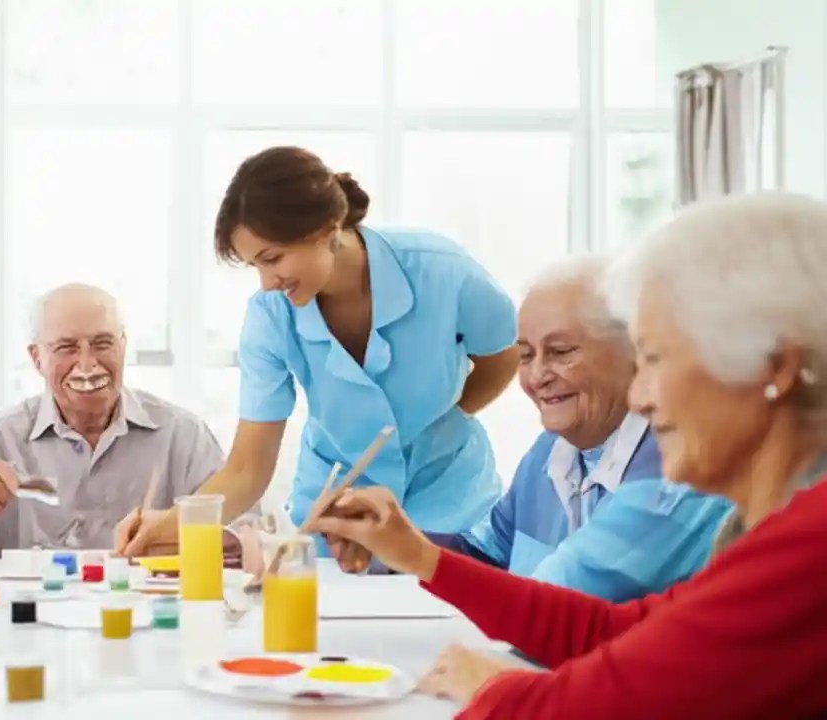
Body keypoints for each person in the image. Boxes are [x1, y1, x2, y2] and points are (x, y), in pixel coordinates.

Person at [310, 192, 827, 718]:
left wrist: (492, 689)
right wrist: (418, 554)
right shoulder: (767, 531)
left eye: (655, 359)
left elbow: (596, 703)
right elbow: (610, 630)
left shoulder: (810, 542)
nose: (641, 396)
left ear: (774, 368)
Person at [117, 146, 519, 556]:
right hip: (338, 512)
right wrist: (167, 526)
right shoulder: (270, 316)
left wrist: (442, 418)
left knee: (452, 611)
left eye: (272, 259)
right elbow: (247, 469)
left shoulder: (442, 270)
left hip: (448, 496)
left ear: (326, 228)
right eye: (255, 265)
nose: (267, 282)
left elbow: (503, 355)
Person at [420, 256, 730, 601]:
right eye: (525, 355)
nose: (537, 377)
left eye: (560, 352)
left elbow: (557, 601)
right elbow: (485, 553)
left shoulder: (674, 465)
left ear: (636, 352)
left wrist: (413, 553)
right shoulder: (551, 450)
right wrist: (387, 541)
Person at [0, 283, 225, 558]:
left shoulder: (183, 434)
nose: (87, 365)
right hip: (28, 618)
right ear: (37, 359)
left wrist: (181, 529)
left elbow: (243, 529)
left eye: (103, 344)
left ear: (123, 346)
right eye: (66, 348)